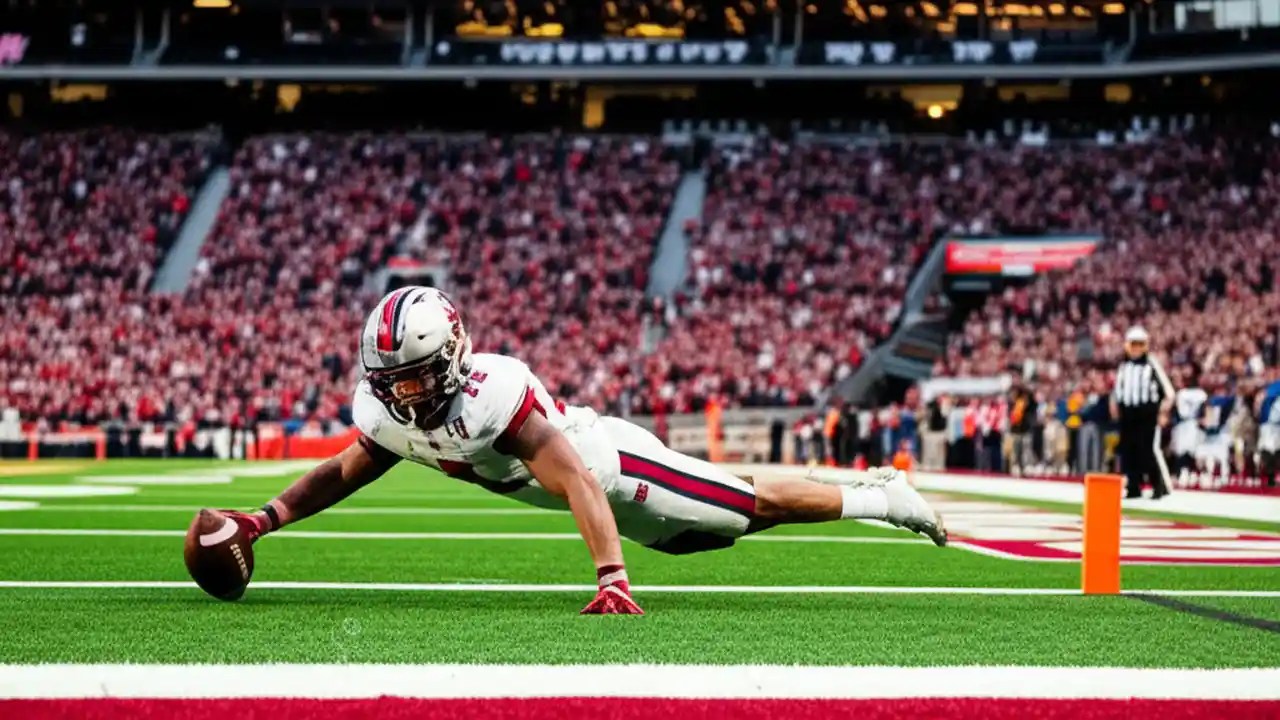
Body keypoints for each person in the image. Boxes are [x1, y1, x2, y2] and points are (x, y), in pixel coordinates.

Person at [209, 287, 947, 615]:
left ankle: (882, 498)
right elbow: (345, 471)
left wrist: (612, 576)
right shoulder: (391, 411)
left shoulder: (493, 392)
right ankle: (860, 488)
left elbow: (578, 481)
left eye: (414, 380)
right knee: (732, 519)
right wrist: (262, 520)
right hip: (601, 492)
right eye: (391, 384)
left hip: (615, 468)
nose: (403, 398)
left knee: (740, 507)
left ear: (452, 357)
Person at [1110, 326, 1174, 499]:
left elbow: (1168, 392)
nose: (1137, 349)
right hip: (1127, 413)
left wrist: (1162, 412)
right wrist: (1115, 406)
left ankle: (1158, 485)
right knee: (1128, 450)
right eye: (1133, 344)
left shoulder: (1151, 364)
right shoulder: (1123, 366)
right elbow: (1118, 390)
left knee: (1148, 450)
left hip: (1147, 413)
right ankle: (1133, 486)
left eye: (1140, 344)